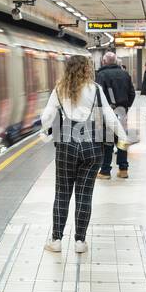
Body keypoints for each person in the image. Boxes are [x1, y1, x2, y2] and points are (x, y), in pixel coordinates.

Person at [41, 54, 128, 253]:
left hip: (66, 146)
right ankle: (80, 242)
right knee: (84, 195)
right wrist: (123, 139)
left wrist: (44, 130)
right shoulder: (95, 89)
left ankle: (56, 240)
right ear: (87, 69)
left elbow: (47, 116)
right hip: (91, 147)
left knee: (62, 193)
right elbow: (110, 117)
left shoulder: (59, 89)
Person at [95, 51, 135, 179]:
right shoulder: (125, 74)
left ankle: (105, 171)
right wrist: (125, 107)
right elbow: (132, 93)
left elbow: (98, 96)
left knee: (107, 141)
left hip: (108, 113)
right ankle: (123, 170)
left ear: (104, 61)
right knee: (122, 140)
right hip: (122, 112)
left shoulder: (101, 75)